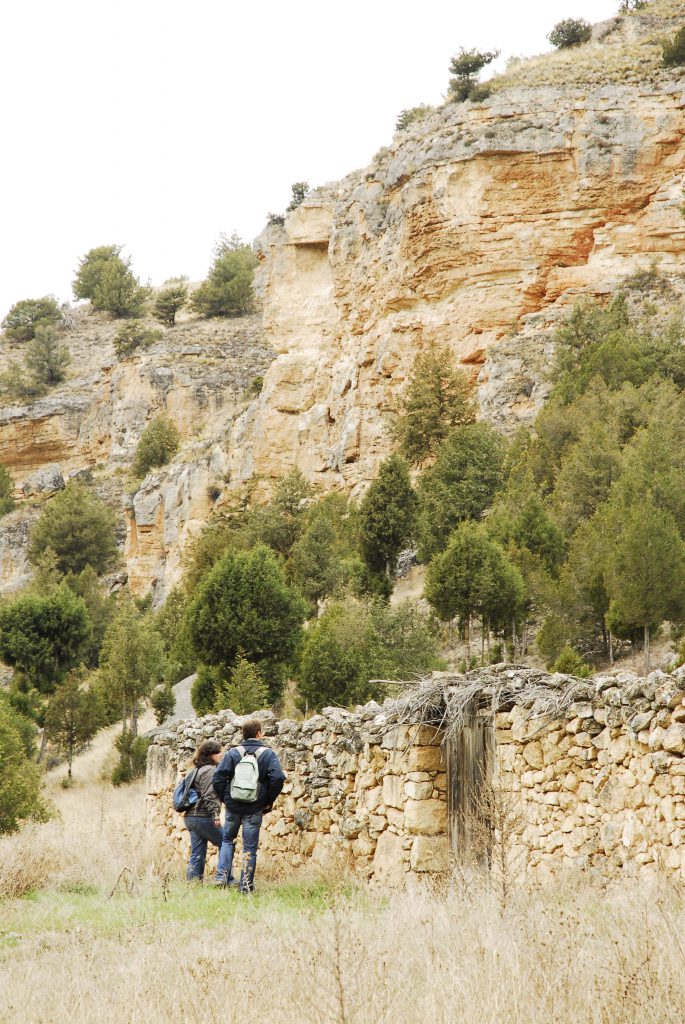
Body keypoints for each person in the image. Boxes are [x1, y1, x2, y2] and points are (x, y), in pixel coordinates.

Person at [212, 718, 286, 893]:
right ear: (259, 733)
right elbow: (278, 778)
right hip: (254, 808)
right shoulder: (268, 754)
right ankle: (245, 886)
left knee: (227, 840)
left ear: (243, 734)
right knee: (250, 848)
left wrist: (225, 798)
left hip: (233, 807)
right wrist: (267, 800)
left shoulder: (232, 753)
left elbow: (217, 778)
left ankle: (222, 876)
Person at [183, 739, 234, 884]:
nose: (221, 755)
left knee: (197, 852)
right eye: (218, 753)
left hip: (190, 817)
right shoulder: (209, 770)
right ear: (210, 755)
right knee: (226, 841)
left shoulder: (195, 771)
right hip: (202, 816)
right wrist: (215, 814)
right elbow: (209, 794)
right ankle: (224, 878)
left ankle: (193, 883)